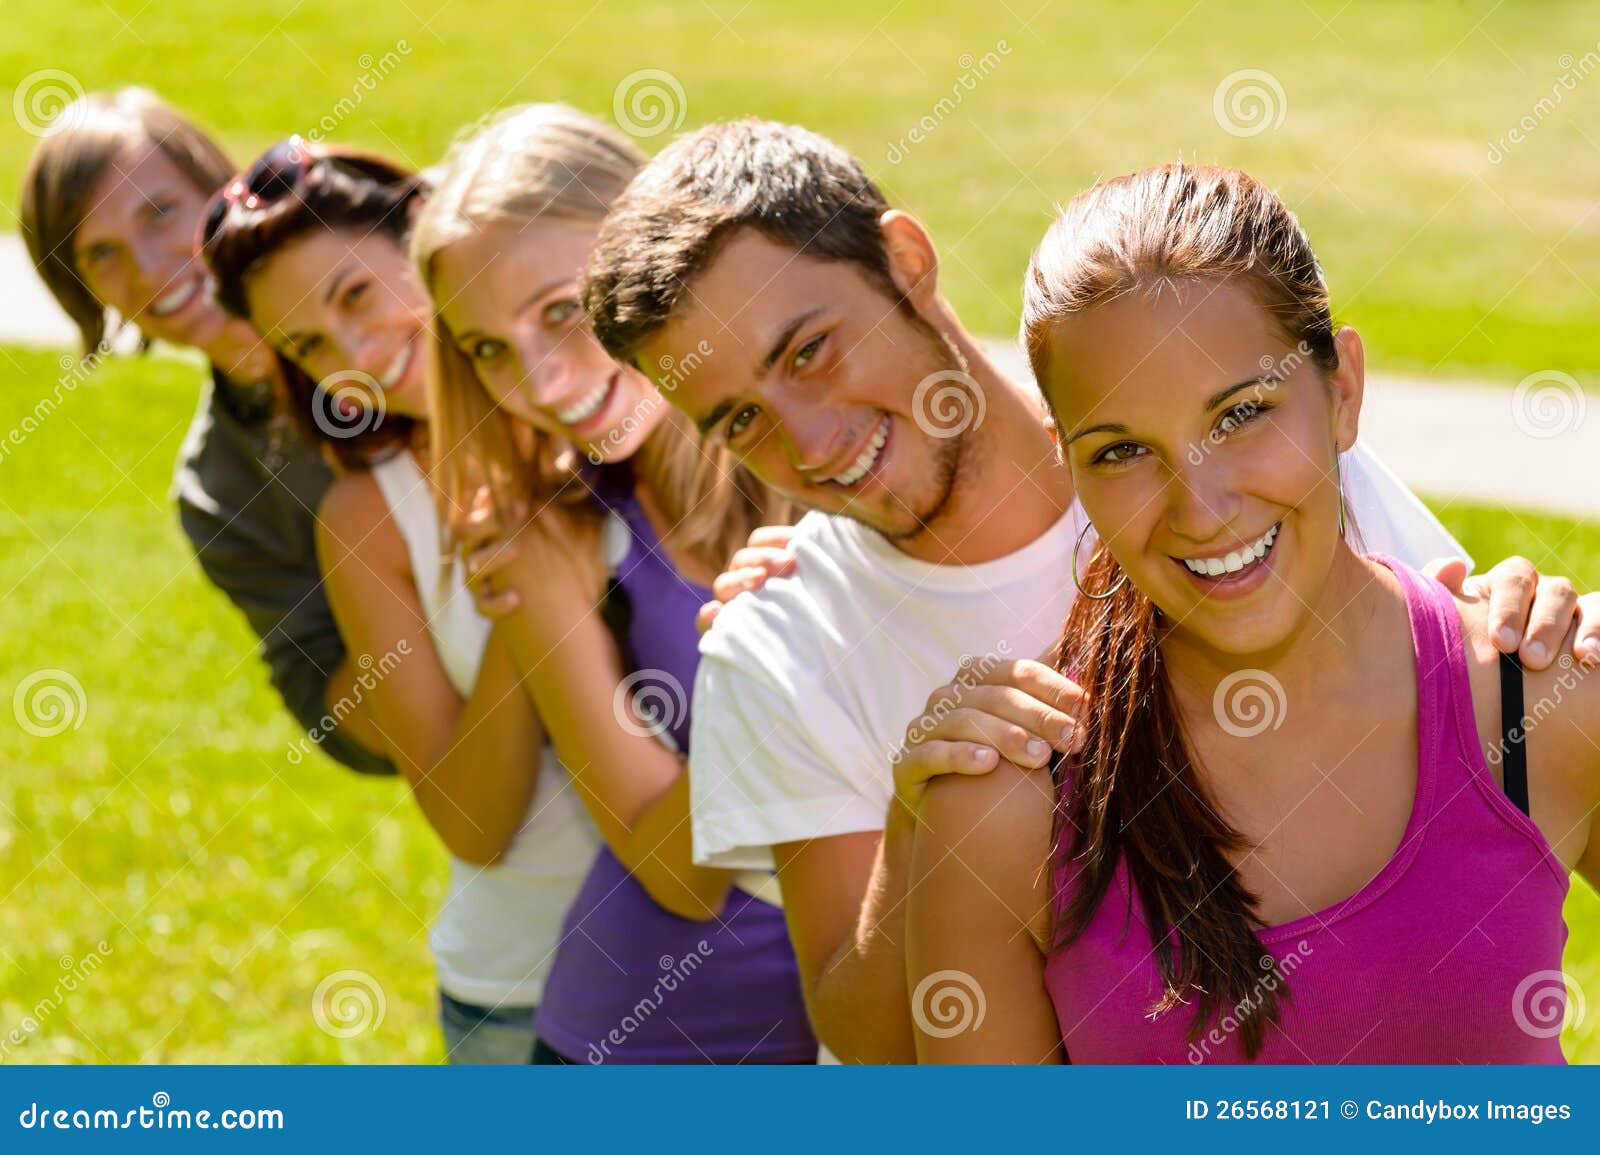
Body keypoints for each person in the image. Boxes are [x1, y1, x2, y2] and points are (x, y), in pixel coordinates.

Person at [583, 118, 1600, 1061]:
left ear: (905, 261)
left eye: (809, 351)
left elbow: (1456, 684)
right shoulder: (780, 643)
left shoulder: (1198, 425)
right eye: (739, 422)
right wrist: (923, 821)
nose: (808, 440)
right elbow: (872, 1039)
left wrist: (1540, 622)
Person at [901, 163, 1600, 1063]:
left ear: (1342, 390)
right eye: (1122, 450)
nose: (1201, 507)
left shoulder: (1538, 698)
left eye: (1240, 414)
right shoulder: (1002, 803)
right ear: (1067, 462)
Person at [411, 104, 815, 1064]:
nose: (543, 385)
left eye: (561, 312)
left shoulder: (839, 462)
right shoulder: (564, 533)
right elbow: (673, 865)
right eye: (489, 349)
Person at [201, 139, 598, 1063]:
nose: (358, 355)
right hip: (525, 1002)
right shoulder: (368, 515)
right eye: (307, 343)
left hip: (762, 962)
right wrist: (525, 610)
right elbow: (469, 820)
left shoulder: (614, 402)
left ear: (426, 237)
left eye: (356, 295)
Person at [19, 88, 392, 774]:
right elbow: (336, 715)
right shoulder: (217, 492)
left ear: (217, 183)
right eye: (103, 253)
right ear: (86, 293)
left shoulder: (378, 297)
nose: (151, 267)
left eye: (160, 212)